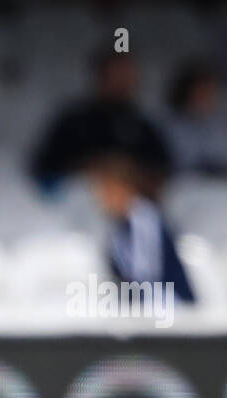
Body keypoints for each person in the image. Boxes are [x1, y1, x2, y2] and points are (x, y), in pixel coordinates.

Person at [29, 52, 170, 194]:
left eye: (128, 76)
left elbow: (164, 173)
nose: (123, 82)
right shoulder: (74, 121)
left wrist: (131, 173)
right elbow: (45, 170)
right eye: (116, 75)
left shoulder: (144, 126)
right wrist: (90, 168)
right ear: (101, 77)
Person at [90, 154, 195, 305]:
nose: (101, 199)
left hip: (170, 302)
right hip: (141, 303)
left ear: (122, 188)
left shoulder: (146, 218)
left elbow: (145, 274)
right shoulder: (115, 227)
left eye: (106, 191)